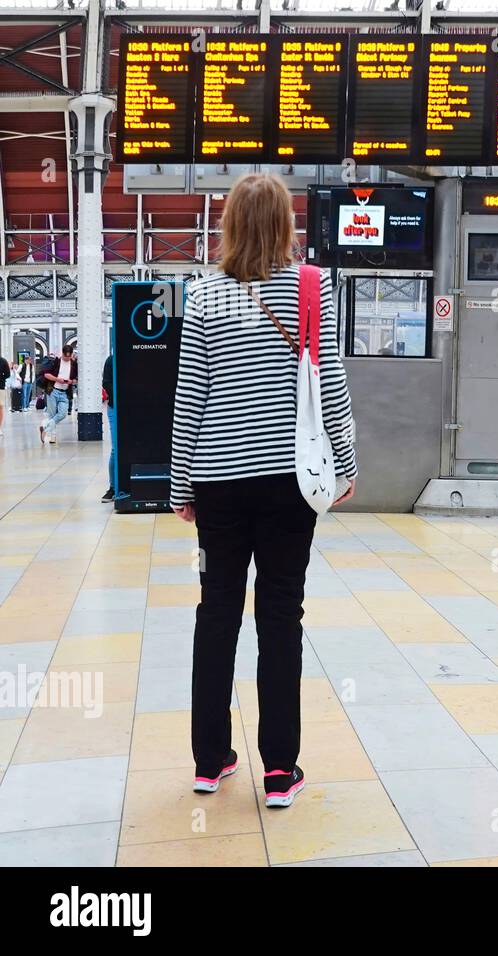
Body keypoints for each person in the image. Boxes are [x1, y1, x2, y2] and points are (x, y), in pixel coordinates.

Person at [170, 172, 357, 809]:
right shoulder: (312, 285)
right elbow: (327, 380)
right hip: (286, 483)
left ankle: (208, 760)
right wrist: (346, 462)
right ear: (286, 224)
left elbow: (189, 395)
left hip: (217, 480)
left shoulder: (203, 293)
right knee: (281, 615)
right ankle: (280, 769)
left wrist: (179, 486)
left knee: (216, 611)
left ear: (228, 223)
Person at [39, 343, 77, 444]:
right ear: (62, 354)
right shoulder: (55, 362)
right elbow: (46, 374)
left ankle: (44, 428)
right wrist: (57, 379)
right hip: (52, 391)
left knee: (62, 414)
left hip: (65, 392)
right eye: (65, 356)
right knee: (52, 415)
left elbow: (76, 379)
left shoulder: (74, 364)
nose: (67, 358)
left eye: (69, 357)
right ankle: (52, 437)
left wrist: (72, 381)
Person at [102, 353, 116, 502]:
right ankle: (113, 487)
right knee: (116, 448)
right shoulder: (111, 360)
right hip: (116, 407)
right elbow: (106, 382)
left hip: (135, 407)